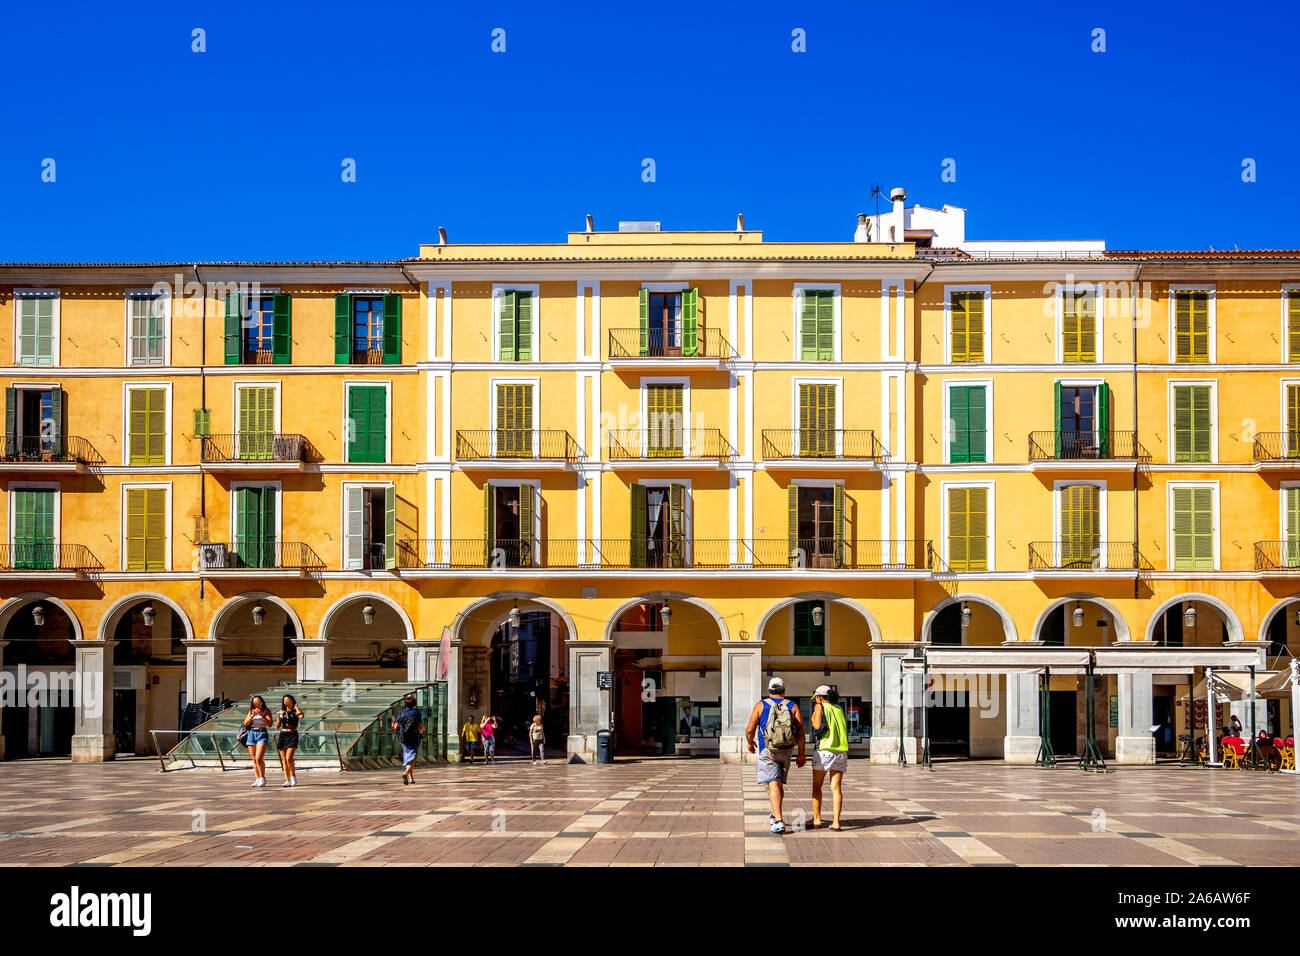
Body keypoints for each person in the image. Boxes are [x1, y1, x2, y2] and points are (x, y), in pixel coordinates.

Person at [744, 677, 805, 834]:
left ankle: (778, 821)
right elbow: (801, 733)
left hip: (768, 750)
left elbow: (750, 730)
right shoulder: (792, 706)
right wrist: (802, 754)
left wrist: (750, 743)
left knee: (772, 783)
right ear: (784, 691)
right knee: (778, 783)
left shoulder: (760, 705)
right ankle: (775, 812)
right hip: (786, 750)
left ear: (769, 691)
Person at [809, 685, 848, 830]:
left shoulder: (820, 707)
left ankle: (817, 819)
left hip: (825, 750)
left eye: (816, 698)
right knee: (836, 788)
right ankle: (836, 822)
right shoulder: (839, 709)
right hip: (841, 752)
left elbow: (817, 726)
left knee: (817, 786)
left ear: (819, 697)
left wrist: (814, 716)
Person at [392, 694, 425, 785]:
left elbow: (395, 726)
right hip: (413, 737)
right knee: (413, 756)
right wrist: (423, 729)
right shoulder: (416, 712)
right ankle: (405, 773)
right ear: (414, 703)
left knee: (407, 756)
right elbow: (421, 726)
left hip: (403, 738)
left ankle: (411, 778)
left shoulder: (402, 713)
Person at [242, 695, 273, 788]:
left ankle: (262, 777)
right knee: (254, 759)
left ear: (261, 702)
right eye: (254, 702)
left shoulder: (266, 711)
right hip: (252, 733)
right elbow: (246, 723)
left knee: (259, 757)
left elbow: (270, 724)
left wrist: (262, 715)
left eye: (257, 701)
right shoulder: (251, 711)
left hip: (262, 733)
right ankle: (257, 778)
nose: (255, 703)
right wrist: (252, 716)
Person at [275, 694, 304, 788]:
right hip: (283, 734)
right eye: (284, 700)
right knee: (284, 759)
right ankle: (287, 780)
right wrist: (279, 718)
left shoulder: (296, 711)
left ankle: (293, 775)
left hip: (292, 734)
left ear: (292, 701)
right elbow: (277, 726)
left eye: (287, 700)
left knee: (289, 758)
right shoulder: (282, 711)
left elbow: (301, 716)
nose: (285, 702)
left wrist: (297, 708)